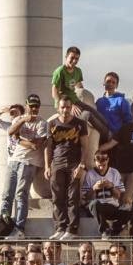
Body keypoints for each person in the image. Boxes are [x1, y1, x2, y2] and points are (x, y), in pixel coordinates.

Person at [0, 97, 46, 236]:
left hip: (29, 163)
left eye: (37, 106)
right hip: (13, 161)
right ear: (27, 106)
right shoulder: (18, 120)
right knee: (6, 194)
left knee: (21, 194)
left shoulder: (42, 123)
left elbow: (35, 145)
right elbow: (11, 133)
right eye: (32, 106)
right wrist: (21, 121)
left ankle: (20, 227)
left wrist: (19, 139)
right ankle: (4, 223)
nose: (34, 109)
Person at [42, 99, 90, 239]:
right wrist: (46, 166)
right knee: (57, 197)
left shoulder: (80, 124)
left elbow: (85, 146)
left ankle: (72, 230)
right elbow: (48, 147)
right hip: (57, 163)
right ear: (58, 107)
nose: (65, 110)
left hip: (74, 163)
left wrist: (82, 165)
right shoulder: (52, 124)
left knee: (73, 197)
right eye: (63, 107)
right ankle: (60, 228)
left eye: (68, 107)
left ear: (71, 108)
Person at [82, 150, 131, 237]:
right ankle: (104, 230)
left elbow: (119, 195)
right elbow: (86, 197)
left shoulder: (114, 172)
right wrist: (94, 188)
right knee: (95, 204)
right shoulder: (90, 174)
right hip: (96, 207)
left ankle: (116, 228)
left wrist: (111, 186)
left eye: (103, 165)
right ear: (94, 161)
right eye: (99, 165)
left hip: (111, 206)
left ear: (108, 160)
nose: (101, 168)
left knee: (131, 210)